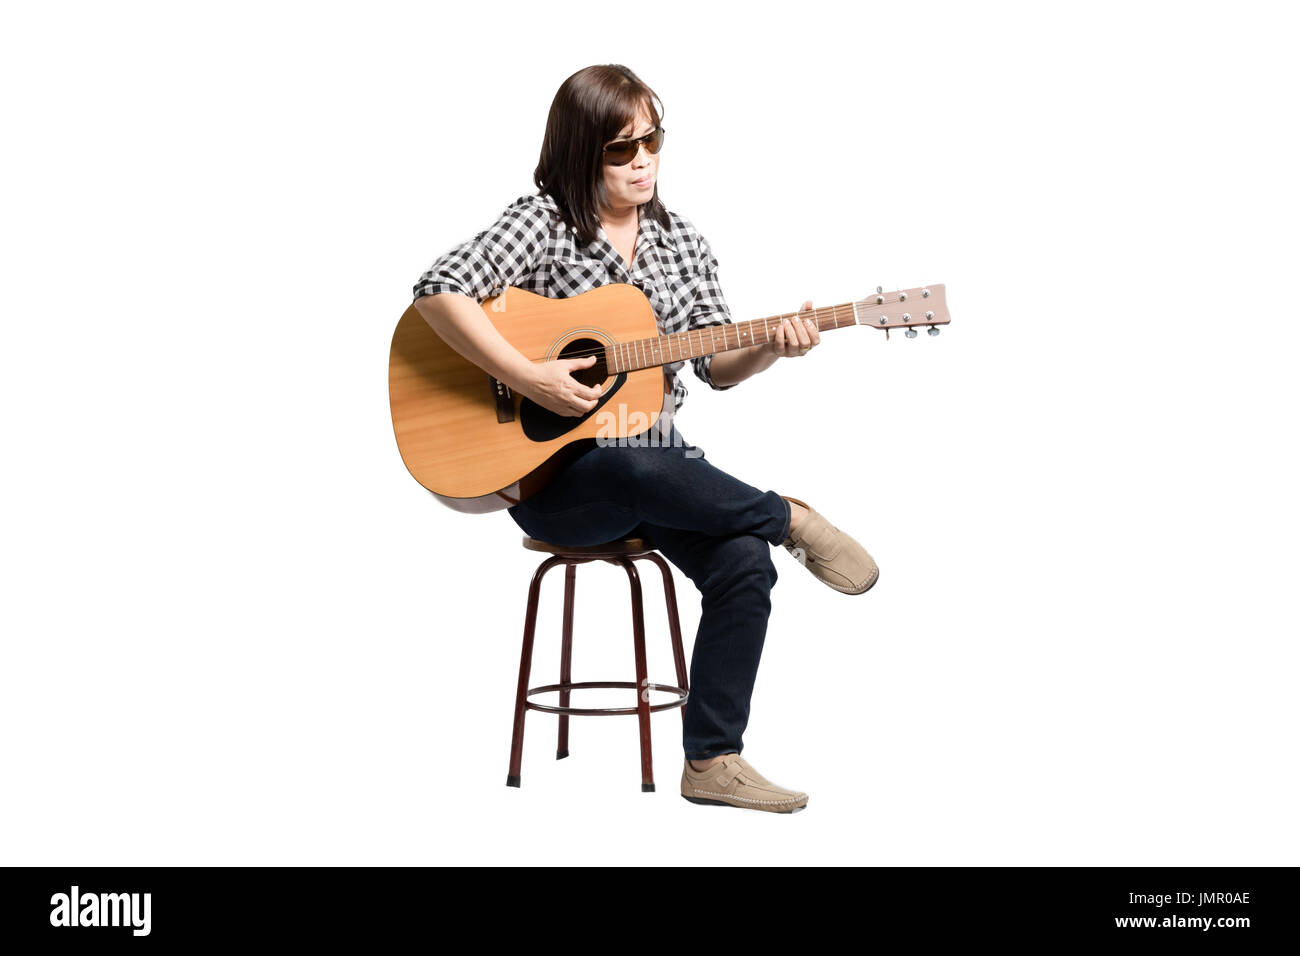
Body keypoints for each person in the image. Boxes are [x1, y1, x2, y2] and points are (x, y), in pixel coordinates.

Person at [410, 64, 878, 814]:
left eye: (652, 140)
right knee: (630, 459)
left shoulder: (682, 240)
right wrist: (529, 379)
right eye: (621, 149)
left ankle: (712, 761)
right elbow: (438, 291)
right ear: (579, 152)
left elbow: (716, 366)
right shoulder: (543, 222)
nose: (643, 162)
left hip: (662, 470)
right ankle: (789, 516)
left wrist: (774, 344)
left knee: (740, 561)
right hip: (558, 485)